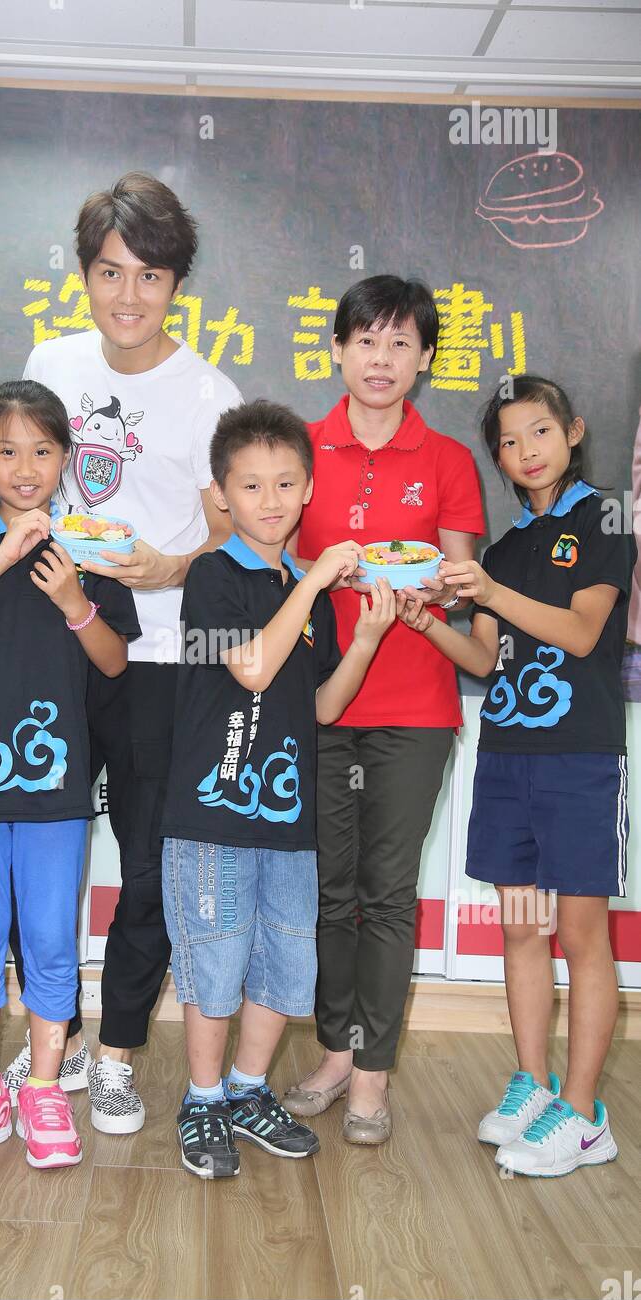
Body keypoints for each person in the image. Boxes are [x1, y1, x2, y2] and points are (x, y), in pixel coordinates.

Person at [3, 172, 242, 1134]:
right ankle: (47, 1037)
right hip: (51, 648)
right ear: (84, 276)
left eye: (149, 275)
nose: (128, 296)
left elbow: (230, 543)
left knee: (147, 866)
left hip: (159, 661)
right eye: (110, 273)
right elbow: (18, 491)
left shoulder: (208, 393)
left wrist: (167, 566)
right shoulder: (50, 362)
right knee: (40, 860)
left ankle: (118, 1050)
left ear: (177, 283)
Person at [397, 375, 635, 1177]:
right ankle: (532, 1085)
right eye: (508, 439)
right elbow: (487, 659)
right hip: (508, 762)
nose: (525, 450)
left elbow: (579, 631)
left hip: (579, 764)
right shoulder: (499, 549)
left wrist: (491, 591)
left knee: (580, 934)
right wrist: (426, 617)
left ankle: (583, 1110)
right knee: (522, 929)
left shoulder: (604, 517)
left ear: (572, 432)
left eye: (540, 431)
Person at [161, 399, 397, 1178]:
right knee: (216, 970)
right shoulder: (214, 577)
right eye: (251, 485)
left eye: (285, 483)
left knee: (285, 969)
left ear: (307, 490)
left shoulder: (311, 593)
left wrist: (362, 636)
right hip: (211, 818)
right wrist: (314, 580)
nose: (269, 500)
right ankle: (201, 1101)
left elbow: (324, 705)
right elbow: (255, 668)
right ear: (223, 494)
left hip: (289, 821)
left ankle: (246, 1088)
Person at [0, 381, 139, 1171]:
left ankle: (44, 1087)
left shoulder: (93, 543)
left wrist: (76, 596)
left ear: (66, 458)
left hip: (55, 791)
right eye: (6, 450)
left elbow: (113, 660)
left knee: (48, 940)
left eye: (43, 451)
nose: (24, 467)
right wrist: (2, 555)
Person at [285, 276, 485, 1142]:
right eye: (366, 339)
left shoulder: (447, 462)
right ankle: (335, 1048)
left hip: (414, 706)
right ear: (337, 349)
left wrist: (423, 594)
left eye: (401, 343)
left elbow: (462, 586)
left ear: (425, 360)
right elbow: (269, 566)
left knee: (387, 893)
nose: (381, 358)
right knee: (329, 891)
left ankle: (372, 1074)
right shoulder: (299, 449)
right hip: (320, 704)